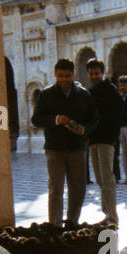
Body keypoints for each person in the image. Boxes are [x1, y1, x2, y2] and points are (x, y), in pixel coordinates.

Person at [31, 58, 97, 225]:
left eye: (67, 76)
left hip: (77, 148)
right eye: (60, 76)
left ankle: (72, 222)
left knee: (78, 189)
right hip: (55, 148)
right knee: (56, 189)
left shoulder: (83, 94)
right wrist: (55, 120)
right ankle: (55, 225)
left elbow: (94, 118)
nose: (64, 80)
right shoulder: (46, 94)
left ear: (73, 74)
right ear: (55, 75)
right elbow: (36, 119)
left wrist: (84, 128)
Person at [86, 58, 123, 226]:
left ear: (102, 73)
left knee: (107, 178)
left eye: (97, 73)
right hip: (93, 140)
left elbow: (117, 115)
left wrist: (112, 137)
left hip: (106, 140)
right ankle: (107, 214)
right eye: (91, 73)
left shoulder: (110, 90)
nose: (94, 76)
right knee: (100, 179)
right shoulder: (90, 92)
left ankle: (112, 218)